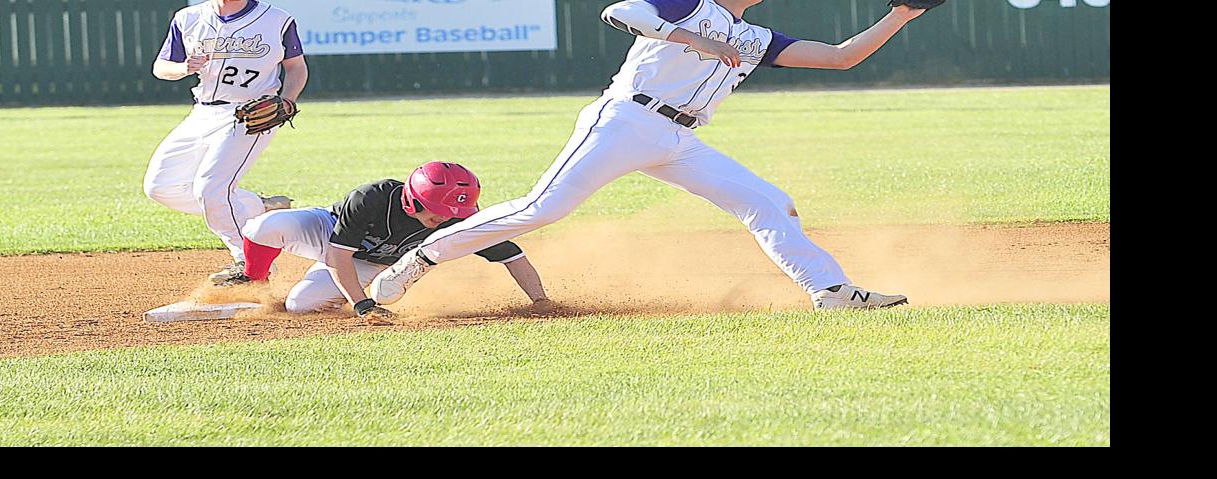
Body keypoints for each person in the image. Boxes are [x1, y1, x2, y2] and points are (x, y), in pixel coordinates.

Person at [368, 0, 938, 311]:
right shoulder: (689, 5)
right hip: (625, 119)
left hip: (679, 140)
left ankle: (830, 292)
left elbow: (840, 58)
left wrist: (901, 14)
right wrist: (693, 37)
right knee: (543, 209)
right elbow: (622, 12)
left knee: (769, 202)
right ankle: (423, 256)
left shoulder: (755, 36)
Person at [235, 162, 551, 326]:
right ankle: (254, 281)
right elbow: (337, 253)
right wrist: (362, 304)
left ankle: (339, 293)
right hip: (331, 233)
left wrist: (540, 301)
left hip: (371, 262)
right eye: (438, 211)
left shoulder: (456, 220)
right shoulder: (372, 198)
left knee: (299, 305)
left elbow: (512, 255)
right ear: (413, 201)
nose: (446, 218)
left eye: (454, 212)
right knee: (265, 226)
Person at [144, 0, 308, 284]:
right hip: (202, 112)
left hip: (250, 113)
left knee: (211, 189)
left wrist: (287, 101)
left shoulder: (276, 19)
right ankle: (255, 205)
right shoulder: (188, 18)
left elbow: (296, 68)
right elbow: (161, 66)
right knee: (160, 187)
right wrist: (183, 68)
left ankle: (250, 266)